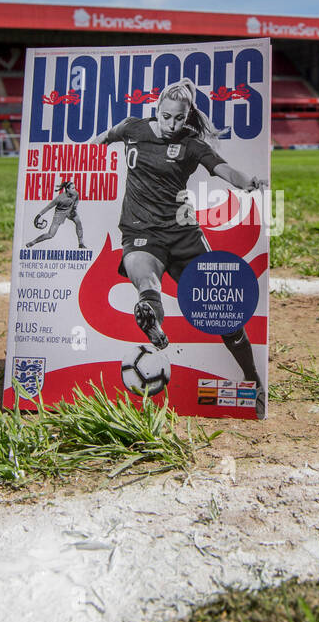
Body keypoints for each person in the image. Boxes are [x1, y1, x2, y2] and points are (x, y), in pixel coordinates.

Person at [89, 77, 268, 418]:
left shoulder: (191, 143)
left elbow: (224, 170)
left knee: (223, 313)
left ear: (187, 116)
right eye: (167, 116)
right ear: (157, 110)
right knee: (145, 277)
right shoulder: (132, 127)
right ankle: (152, 318)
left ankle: (253, 380)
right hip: (141, 230)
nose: (172, 124)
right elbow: (101, 140)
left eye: (179, 118)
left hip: (184, 234)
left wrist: (248, 182)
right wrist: (82, 157)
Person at [26, 179, 86, 249]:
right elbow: (49, 207)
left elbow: (77, 200)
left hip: (70, 210)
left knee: (78, 222)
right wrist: (39, 215)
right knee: (50, 235)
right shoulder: (60, 198)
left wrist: (74, 207)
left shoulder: (75, 193)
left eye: (74, 188)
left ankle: (81, 243)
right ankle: (33, 242)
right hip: (59, 213)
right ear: (67, 189)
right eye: (72, 188)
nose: (74, 189)